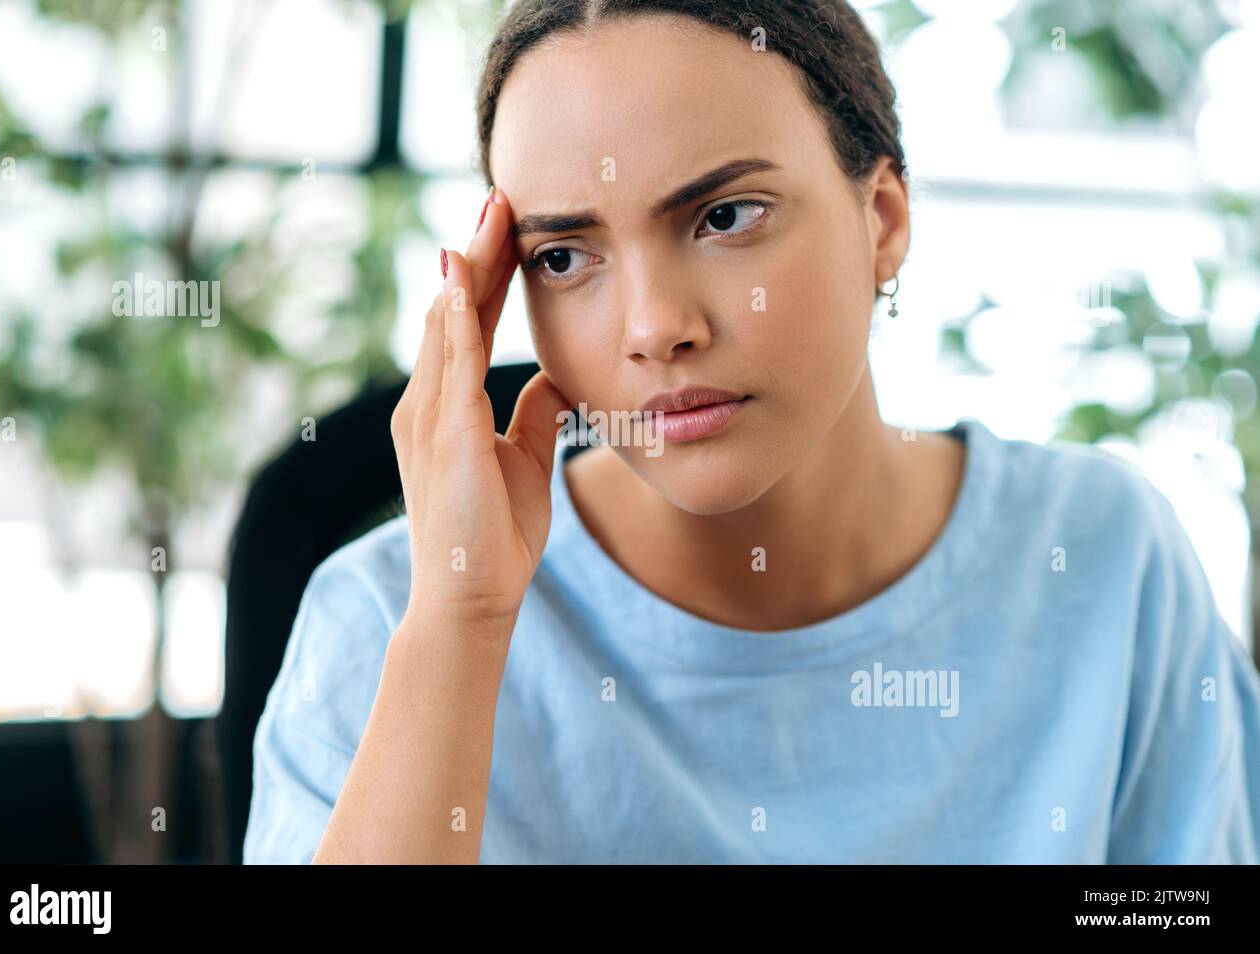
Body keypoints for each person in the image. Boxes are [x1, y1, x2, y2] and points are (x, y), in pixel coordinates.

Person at [243, 0, 1260, 864]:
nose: (653, 328)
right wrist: (459, 628)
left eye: (725, 216)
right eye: (562, 256)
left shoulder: (1104, 566)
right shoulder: (384, 622)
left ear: (884, 219)